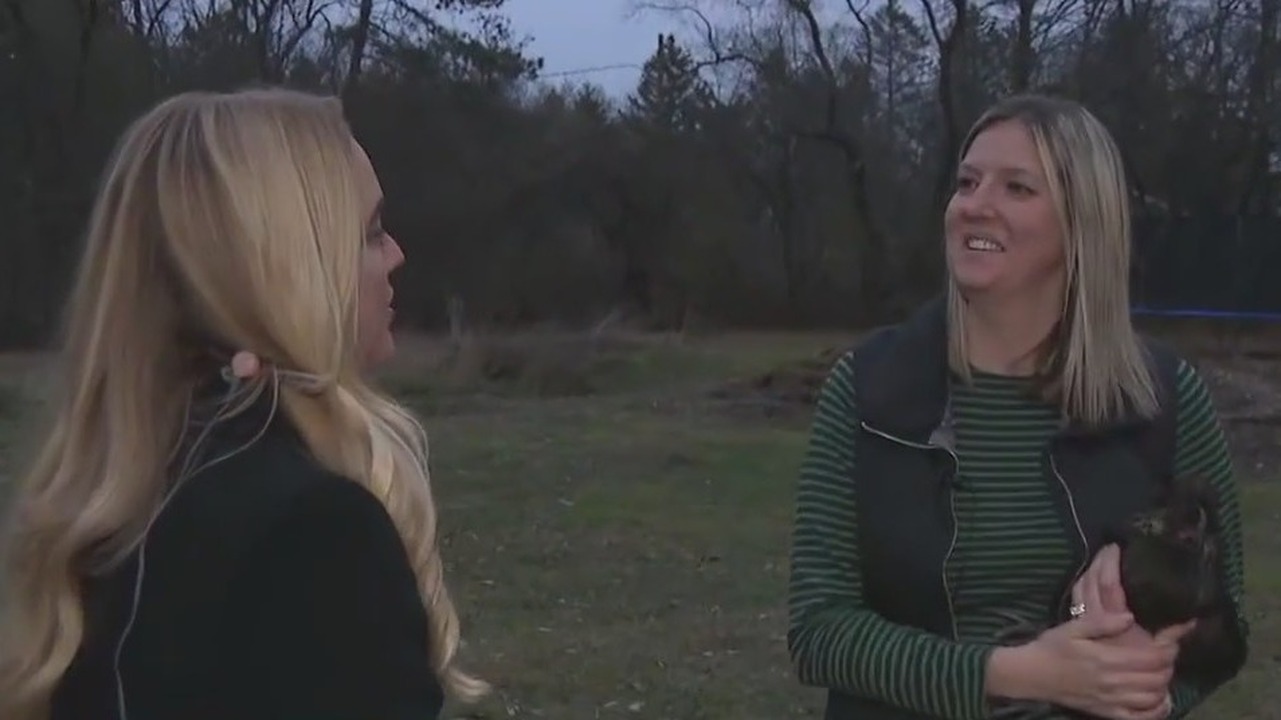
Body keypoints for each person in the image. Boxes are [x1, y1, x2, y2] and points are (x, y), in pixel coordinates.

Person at [0, 88, 486, 720]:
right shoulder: (314, 533)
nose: (396, 255)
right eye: (370, 232)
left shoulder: (111, 506)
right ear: (284, 267)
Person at [786, 94, 1249, 720]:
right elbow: (819, 630)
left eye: (1017, 189)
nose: (975, 205)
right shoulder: (870, 391)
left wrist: (1147, 694)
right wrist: (1022, 674)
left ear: (1082, 223)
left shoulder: (1161, 398)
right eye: (968, 182)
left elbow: (1220, 628)